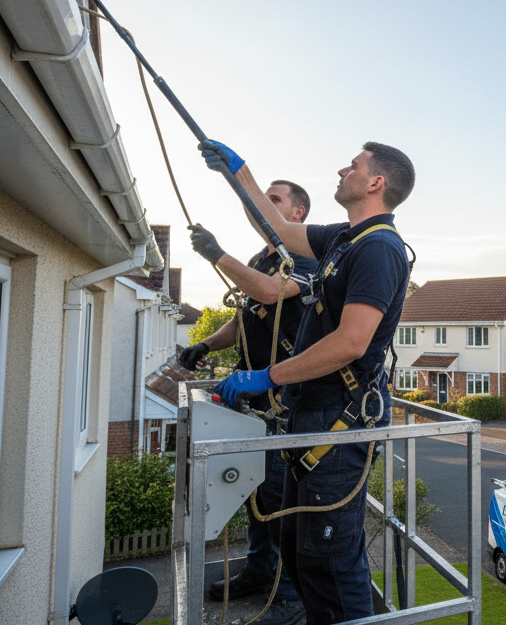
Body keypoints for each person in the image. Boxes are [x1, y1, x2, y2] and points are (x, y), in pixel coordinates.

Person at [207, 139, 413, 625]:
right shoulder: (345, 238)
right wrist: (239, 173)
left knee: (332, 564)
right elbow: (277, 227)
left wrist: (267, 376)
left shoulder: (380, 249)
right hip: (311, 414)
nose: (343, 169)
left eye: (355, 166)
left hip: (336, 424)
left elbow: (351, 342)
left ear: (375, 182)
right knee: (299, 553)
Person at [177, 180, 319, 625]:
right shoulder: (263, 259)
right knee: (255, 491)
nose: (263, 205)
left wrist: (216, 255)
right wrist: (206, 345)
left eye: (274, 200)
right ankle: (261, 571)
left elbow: (270, 293)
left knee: (279, 497)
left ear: (296, 214)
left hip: (286, 402)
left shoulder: (306, 257)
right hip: (255, 404)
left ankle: (292, 596)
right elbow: (245, 317)